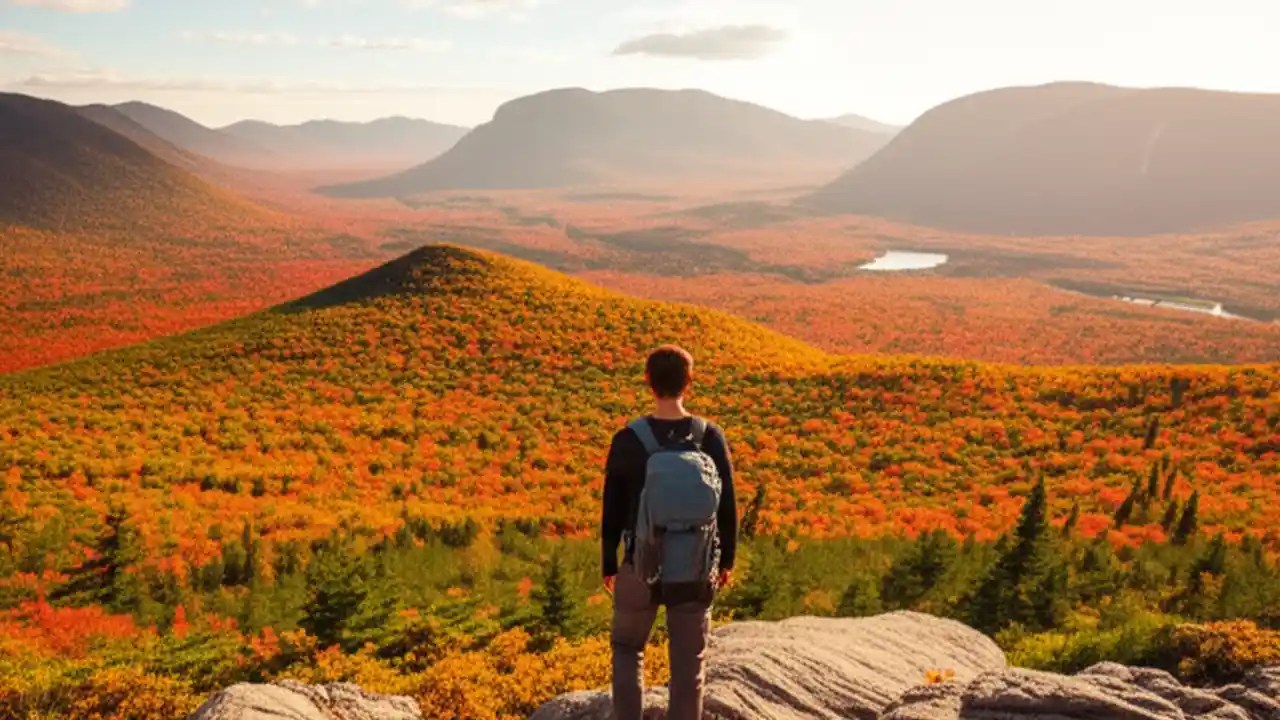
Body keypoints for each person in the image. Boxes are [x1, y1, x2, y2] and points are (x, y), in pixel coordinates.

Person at [601, 344, 738, 720]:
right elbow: (727, 505)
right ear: (688, 383)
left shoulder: (628, 439)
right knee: (689, 668)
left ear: (648, 381)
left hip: (638, 561)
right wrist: (726, 560)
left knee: (628, 648)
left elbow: (611, 509)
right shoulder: (709, 437)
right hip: (694, 565)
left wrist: (608, 564)